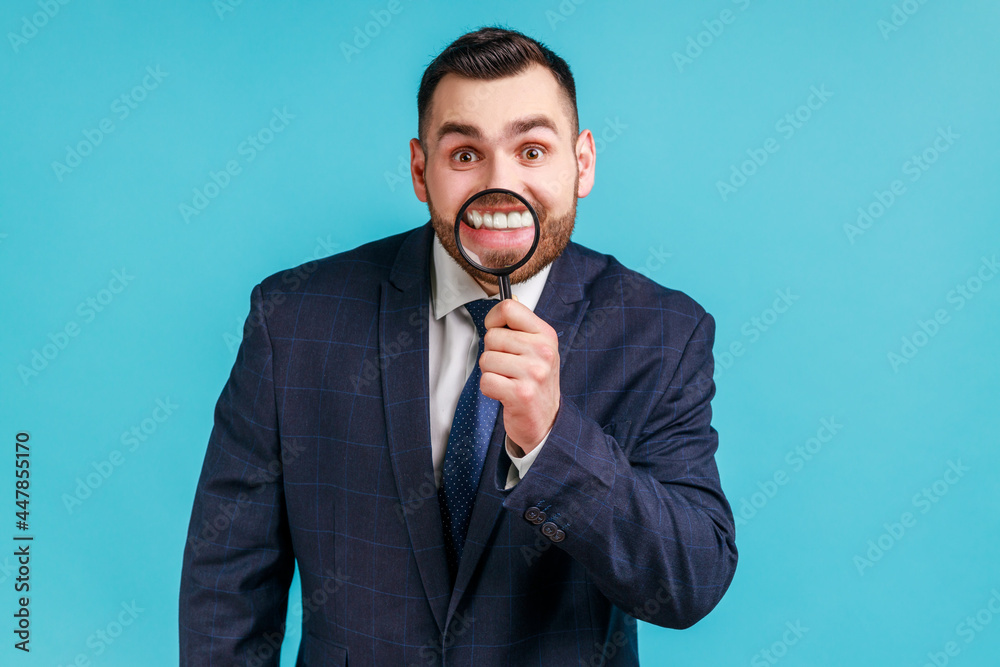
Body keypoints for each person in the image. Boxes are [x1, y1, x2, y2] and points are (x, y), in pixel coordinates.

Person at [179, 25, 737, 667]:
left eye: (531, 150)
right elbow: (226, 582)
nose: (499, 186)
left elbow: (689, 583)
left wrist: (552, 438)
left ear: (582, 163)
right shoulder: (293, 319)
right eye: (465, 155)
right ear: (421, 170)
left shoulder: (663, 333)